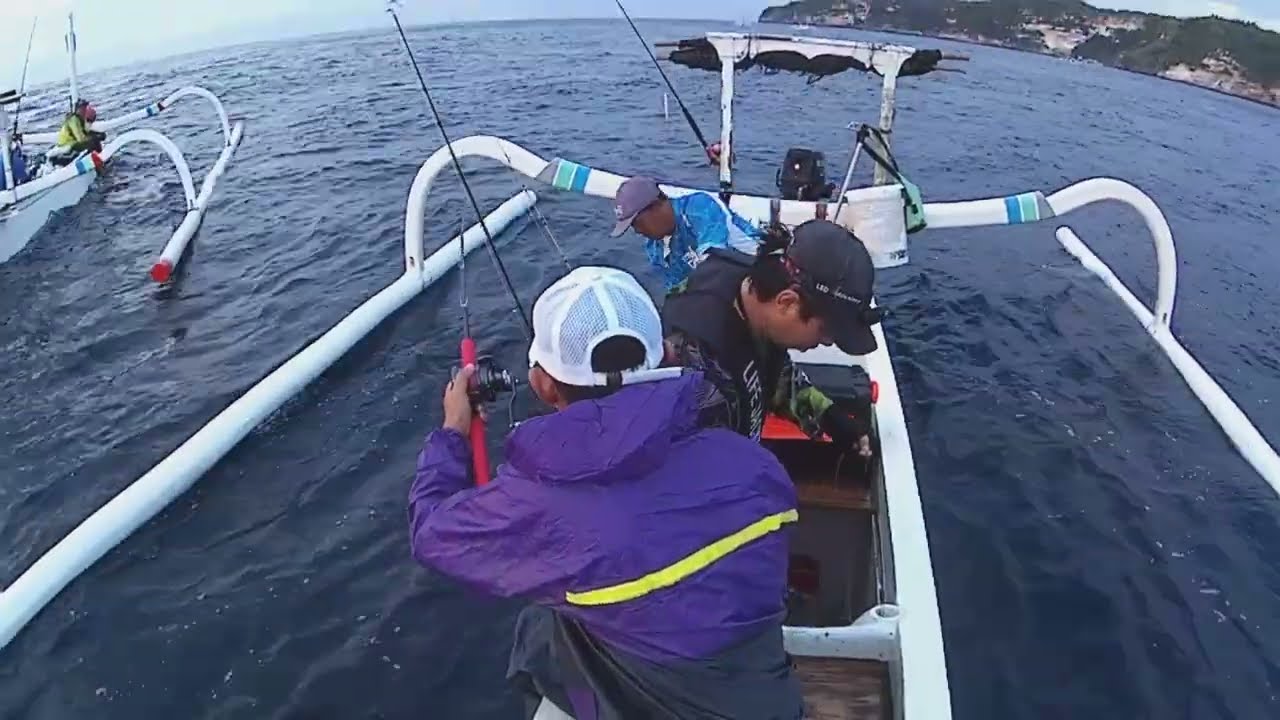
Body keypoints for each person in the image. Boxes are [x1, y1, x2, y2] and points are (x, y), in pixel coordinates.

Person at [409, 265, 804, 719]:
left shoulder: (539, 507)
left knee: (539, 627)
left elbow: (432, 532)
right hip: (768, 705)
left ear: (542, 384)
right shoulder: (754, 465)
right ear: (668, 360)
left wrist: (453, 432)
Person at [662, 219, 882, 453]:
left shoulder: (754, 297)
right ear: (787, 302)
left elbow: (765, 370)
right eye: (825, 331)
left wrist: (828, 416)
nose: (828, 342)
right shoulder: (697, 368)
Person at [610, 175, 760, 296]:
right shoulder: (654, 249)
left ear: (656, 206)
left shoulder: (699, 207)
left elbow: (715, 264)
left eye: (637, 222)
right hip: (726, 293)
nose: (637, 230)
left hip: (761, 270)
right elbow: (677, 290)